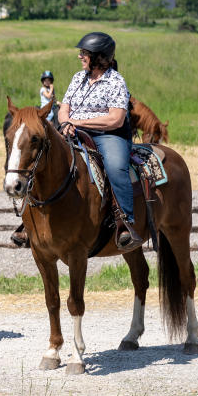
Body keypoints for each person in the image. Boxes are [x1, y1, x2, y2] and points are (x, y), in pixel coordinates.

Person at [56, 32, 140, 252]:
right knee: (44, 155)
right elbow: (63, 108)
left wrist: (78, 122)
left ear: (98, 57)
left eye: (84, 53)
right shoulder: (78, 78)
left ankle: (125, 223)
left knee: (115, 167)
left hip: (108, 135)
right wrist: (66, 122)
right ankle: (31, 219)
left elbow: (115, 119)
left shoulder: (115, 81)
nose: (80, 56)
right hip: (72, 131)